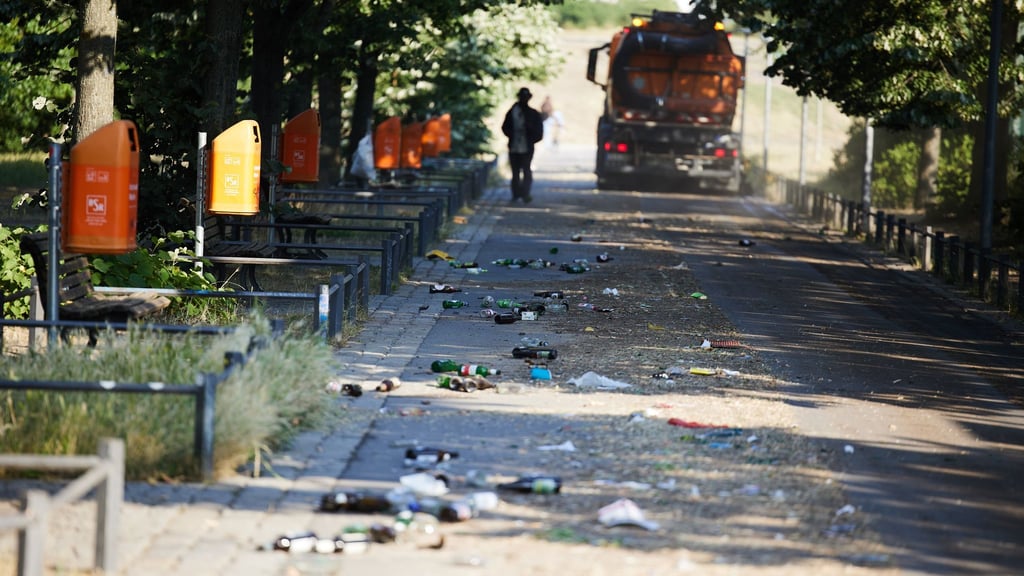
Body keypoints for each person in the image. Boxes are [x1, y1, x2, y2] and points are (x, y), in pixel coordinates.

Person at [501, 87, 544, 203]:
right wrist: (513, 135)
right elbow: (505, 128)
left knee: (526, 170)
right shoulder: (512, 112)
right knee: (516, 172)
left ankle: (525, 193)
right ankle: (516, 194)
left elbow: (539, 132)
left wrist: (530, 138)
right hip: (514, 146)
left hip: (527, 147)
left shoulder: (533, 114)